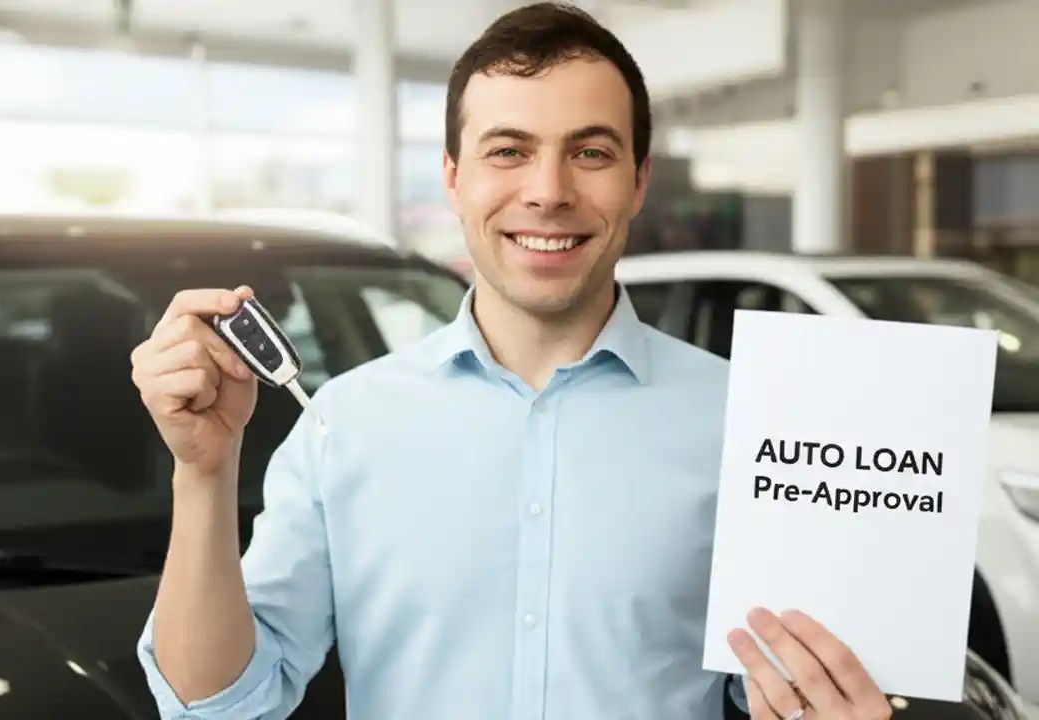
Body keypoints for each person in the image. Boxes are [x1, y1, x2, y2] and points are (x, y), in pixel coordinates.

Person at [131, 3, 893, 719]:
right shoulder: (345, 424)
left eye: (590, 152)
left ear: (639, 180)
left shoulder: (747, 422)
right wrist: (202, 474)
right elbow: (221, 706)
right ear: (455, 178)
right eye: (509, 151)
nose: (549, 191)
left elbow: (778, 685)